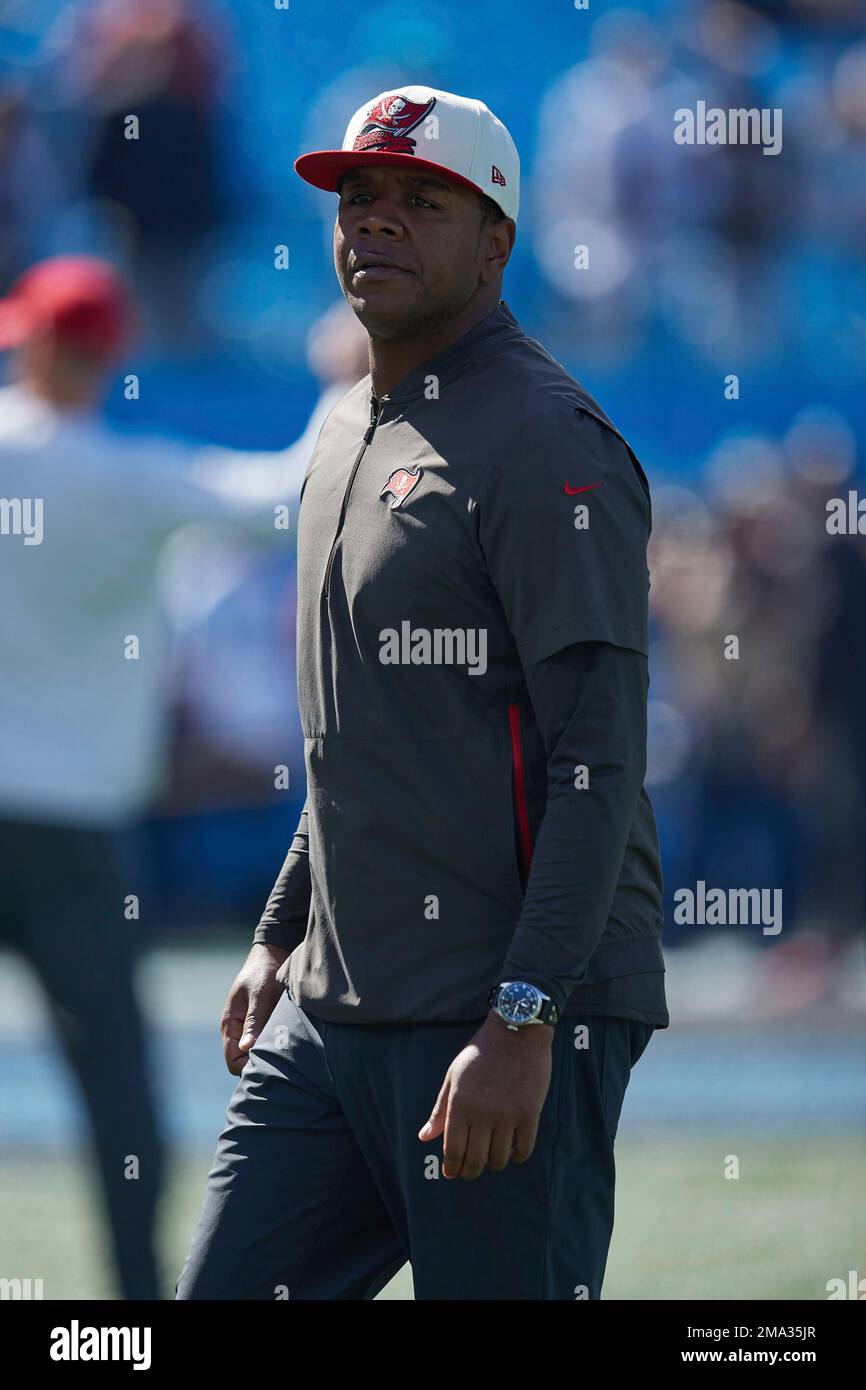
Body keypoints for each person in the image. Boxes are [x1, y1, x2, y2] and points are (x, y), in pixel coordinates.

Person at [177, 84, 669, 1303]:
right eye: (359, 199)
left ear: (497, 239)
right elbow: (355, 735)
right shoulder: (348, 424)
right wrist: (282, 926)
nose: (377, 222)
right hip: (341, 999)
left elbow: (598, 760)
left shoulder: (549, 441)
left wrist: (520, 1019)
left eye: (419, 200)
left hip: (499, 1006)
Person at [0, 254, 286, 1298]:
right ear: (112, 353)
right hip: (77, 831)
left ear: (32, 340)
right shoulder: (131, 480)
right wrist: (360, 376)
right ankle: (135, 1309)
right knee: (117, 1092)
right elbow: (282, 496)